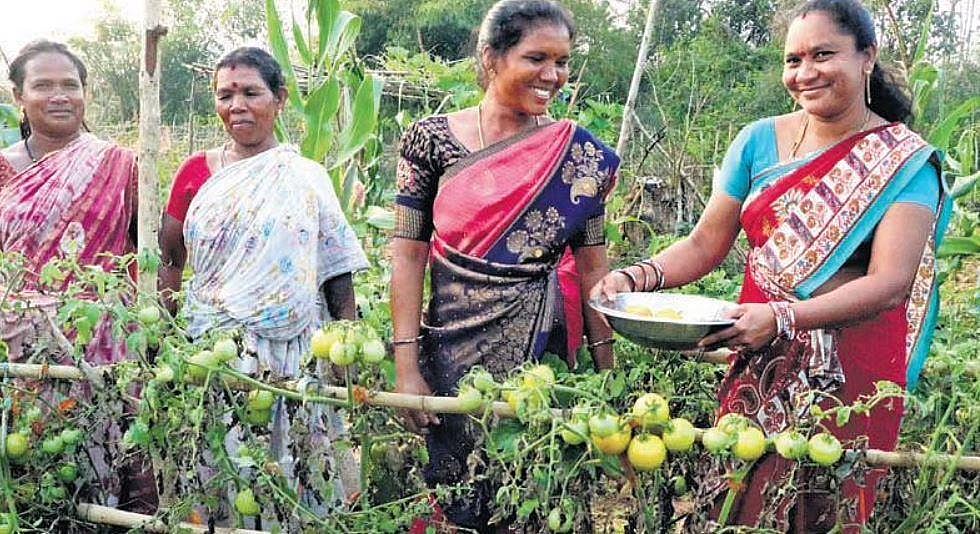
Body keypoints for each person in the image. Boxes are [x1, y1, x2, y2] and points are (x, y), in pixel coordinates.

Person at [591, 0, 951, 531]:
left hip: (853, 371)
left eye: (823, 55)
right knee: (736, 496)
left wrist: (782, 318)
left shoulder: (904, 162)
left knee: (827, 505)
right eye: (793, 59)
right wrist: (636, 277)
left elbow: (890, 283)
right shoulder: (758, 141)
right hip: (759, 354)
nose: (805, 73)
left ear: (867, 57)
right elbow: (705, 244)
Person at [391, 1, 618, 530]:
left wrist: (607, 376)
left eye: (562, 62)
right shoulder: (430, 141)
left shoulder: (578, 157)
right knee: (456, 495)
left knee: (534, 490)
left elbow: (593, 269)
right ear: (491, 58)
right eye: (536, 59)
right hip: (450, 349)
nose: (552, 76)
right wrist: (406, 366)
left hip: (540, 351)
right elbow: (408, 252)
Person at [158, 47, 368, 525]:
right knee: (218, 468)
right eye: (225, 95)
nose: (237, 106)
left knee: (296, 471)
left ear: (280, 99)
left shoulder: (307, 177)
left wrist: (346, 342)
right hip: (214, 352)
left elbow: (335, 266)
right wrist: (164, 339)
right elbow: (170, 259)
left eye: (251, 93)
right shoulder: (195, 172)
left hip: (295, 353)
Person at [0, 40, 157, 513]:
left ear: (86, 93)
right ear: (18, 97)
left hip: (104, 347)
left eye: (70, 85)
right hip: (20, 351)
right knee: (29, 475)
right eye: (43, 86)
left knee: (106, 465)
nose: (59, 96)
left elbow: (145, 253)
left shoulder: (121, 166)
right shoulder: (3, 169)